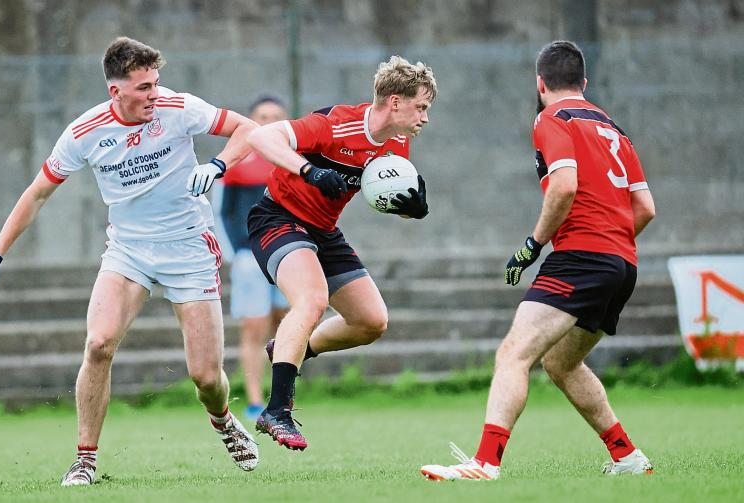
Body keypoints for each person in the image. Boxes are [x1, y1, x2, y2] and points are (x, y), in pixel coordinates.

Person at [0, 37, 260, 485]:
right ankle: (84, 459)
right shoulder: (84, 132)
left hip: (188, 247)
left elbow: (246, 129)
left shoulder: (179, 108)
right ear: (116, 91)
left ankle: (221, 418)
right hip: (128, 250)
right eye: (144, 87)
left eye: (156, 84)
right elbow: (38, 193)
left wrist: (218, 165)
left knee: (205, 377)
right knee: (98, 343)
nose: (154, 95)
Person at [419, 40, 656, 481]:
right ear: (584, 82)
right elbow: (645, 208)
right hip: (621, 264)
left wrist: (533, 244)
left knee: (513, 353)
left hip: (581, 258)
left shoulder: (551, 118)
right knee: (560, 362)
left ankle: (485, 463)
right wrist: (610, 243)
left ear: (540, 83)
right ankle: (626, 456)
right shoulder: (613, 128)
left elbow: (564, 186)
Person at [246, 56, 437, 450]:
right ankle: (276, 412)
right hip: (277, 217)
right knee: (312, 299)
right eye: (421, 107)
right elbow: (261, 139)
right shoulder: (336, 123)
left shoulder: (397, 145)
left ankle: (289, 349)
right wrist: (309, 170)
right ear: (395, 102)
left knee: (371, 321)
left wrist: (410, 208)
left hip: (324, 230)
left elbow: (383, 196)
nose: (425, 118)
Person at [218, 95, 290, 421]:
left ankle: (282, 398)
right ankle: (254, 400)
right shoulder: (239, 156)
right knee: (254, 327)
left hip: (287, 253)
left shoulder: (292, 157)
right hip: (250, 255)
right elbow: (223, 212)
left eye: (276, 116)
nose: (269, 120)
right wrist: (237, 251)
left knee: (285, 323)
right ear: (251, 119)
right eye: (263, 115)